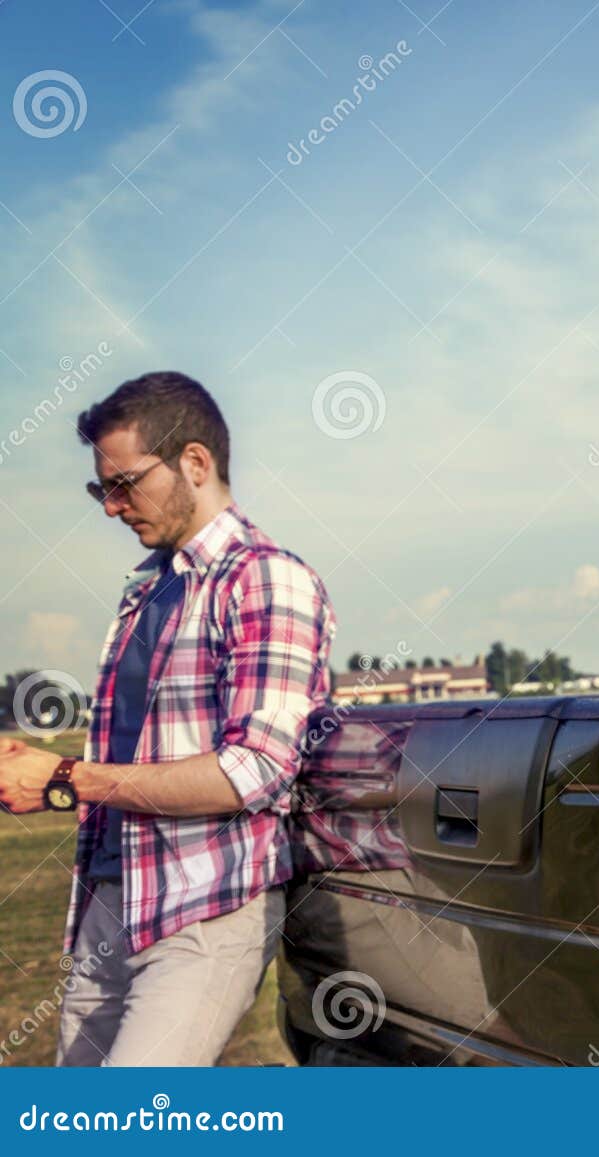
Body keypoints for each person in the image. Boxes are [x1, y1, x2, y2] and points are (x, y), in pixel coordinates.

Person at [0, 371, 336, 1066]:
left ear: (195, 462)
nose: (111, 507)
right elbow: (131, 754)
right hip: (111, 899)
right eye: (101, 488)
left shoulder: (264, 578)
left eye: (123, 483)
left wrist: (64, 776)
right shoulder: (148, 588)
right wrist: (41, 776)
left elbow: (256, 771)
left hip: (204, 908)